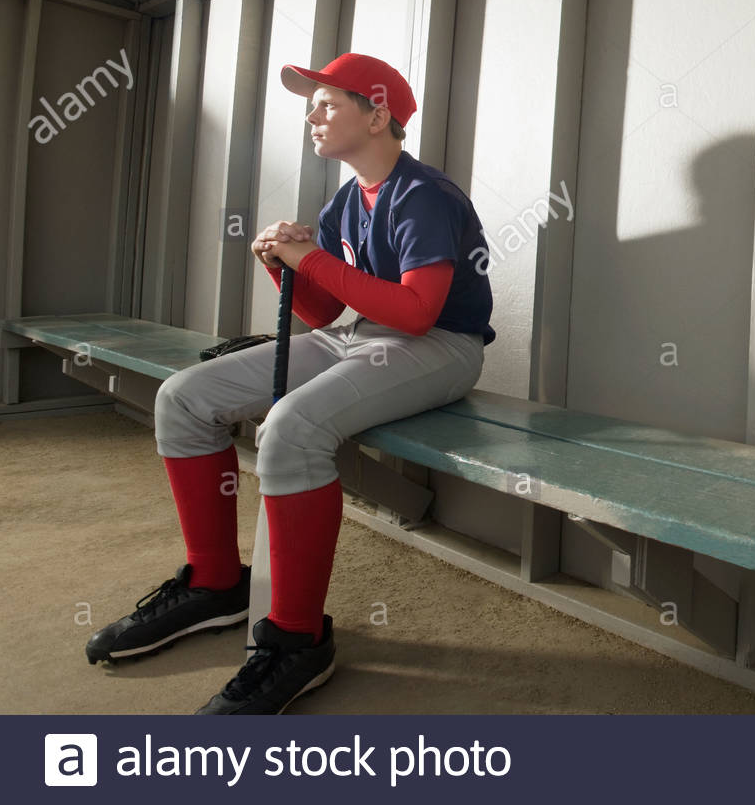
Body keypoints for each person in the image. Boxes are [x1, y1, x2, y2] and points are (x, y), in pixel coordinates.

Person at [84, 52, 495, 714]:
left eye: (328, 102)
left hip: (439, 346)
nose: (312, 113)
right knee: (183, 398)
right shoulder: (345, 199)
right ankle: (215, 583)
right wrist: (286, 267)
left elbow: (419, 311)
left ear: (379, 112)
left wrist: (311, 259)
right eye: (312, 102)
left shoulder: (424, 196)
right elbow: (324, 314)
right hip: (359, 334)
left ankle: (298, 639)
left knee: (292, 428)